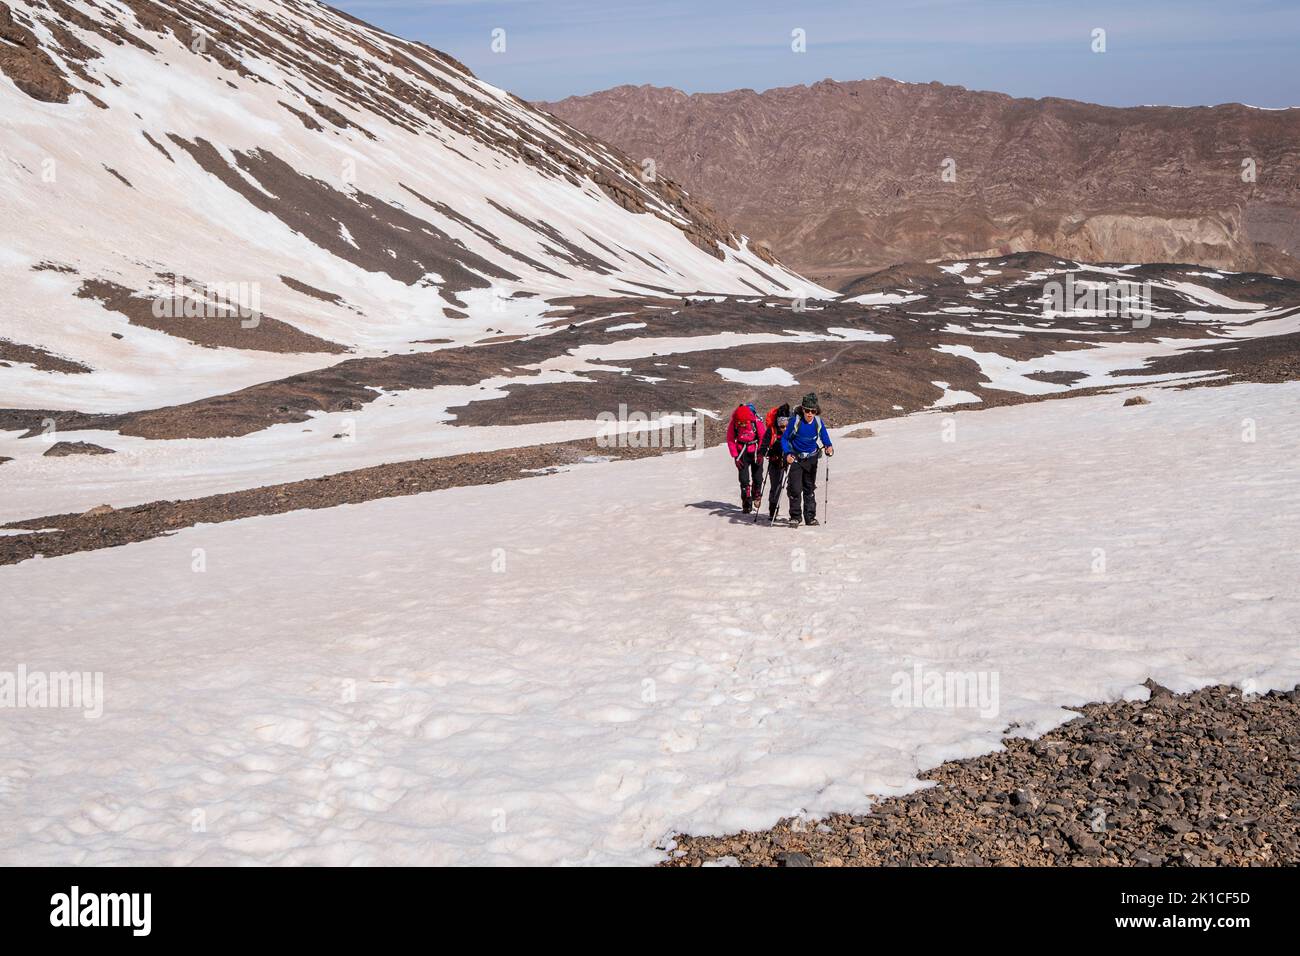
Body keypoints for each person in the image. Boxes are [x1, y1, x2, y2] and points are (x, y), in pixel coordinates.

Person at [780, 392, 833, 527]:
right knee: (795, 489)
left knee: (809, 489)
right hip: (796, 458)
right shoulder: (795, 422)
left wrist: (829, 447)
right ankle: (795, 517)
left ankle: (810, 517)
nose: (810, 414)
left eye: (813, 411)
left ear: (816, 411)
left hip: (811, 460)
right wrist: (787, 454)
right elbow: (784, 439)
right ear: (802, 409)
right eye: (807, 410)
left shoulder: (818, 422)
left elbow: (825, 437)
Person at [725, 403, 766, 514]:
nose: (742, 425)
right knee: (744, 480)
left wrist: (761, 453)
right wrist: (735, 456)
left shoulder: (756, 421)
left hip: (756, 451)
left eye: (744, 422)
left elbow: (763, 437)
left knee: (758, 478)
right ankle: (746, 501)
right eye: (740, 423)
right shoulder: (735, 422)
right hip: (741, 453)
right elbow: (730, 439)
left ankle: (756, 494)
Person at [759, 402, 791, 523]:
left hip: (790, 460)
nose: (784, 429)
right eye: (782, 427)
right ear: (778, 424)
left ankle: (795, 512)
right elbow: (763, 445)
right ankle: (773, 510)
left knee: (793, 486)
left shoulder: (792, 431)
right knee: (776, 487)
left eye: (786, 426)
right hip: (776, 462)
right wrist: (764, 453)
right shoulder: (771, 431)